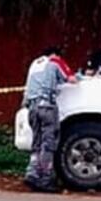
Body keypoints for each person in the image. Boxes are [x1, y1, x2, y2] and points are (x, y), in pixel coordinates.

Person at [22, 44, 76, 192]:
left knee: (37, 142)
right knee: (48, 143)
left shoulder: (34, 64)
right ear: (55, 54)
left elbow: (26, 91)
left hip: (32, 108)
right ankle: (45, 178)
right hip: (47, 107)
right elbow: (71, 79)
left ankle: (32, 173)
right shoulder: (55, 61)